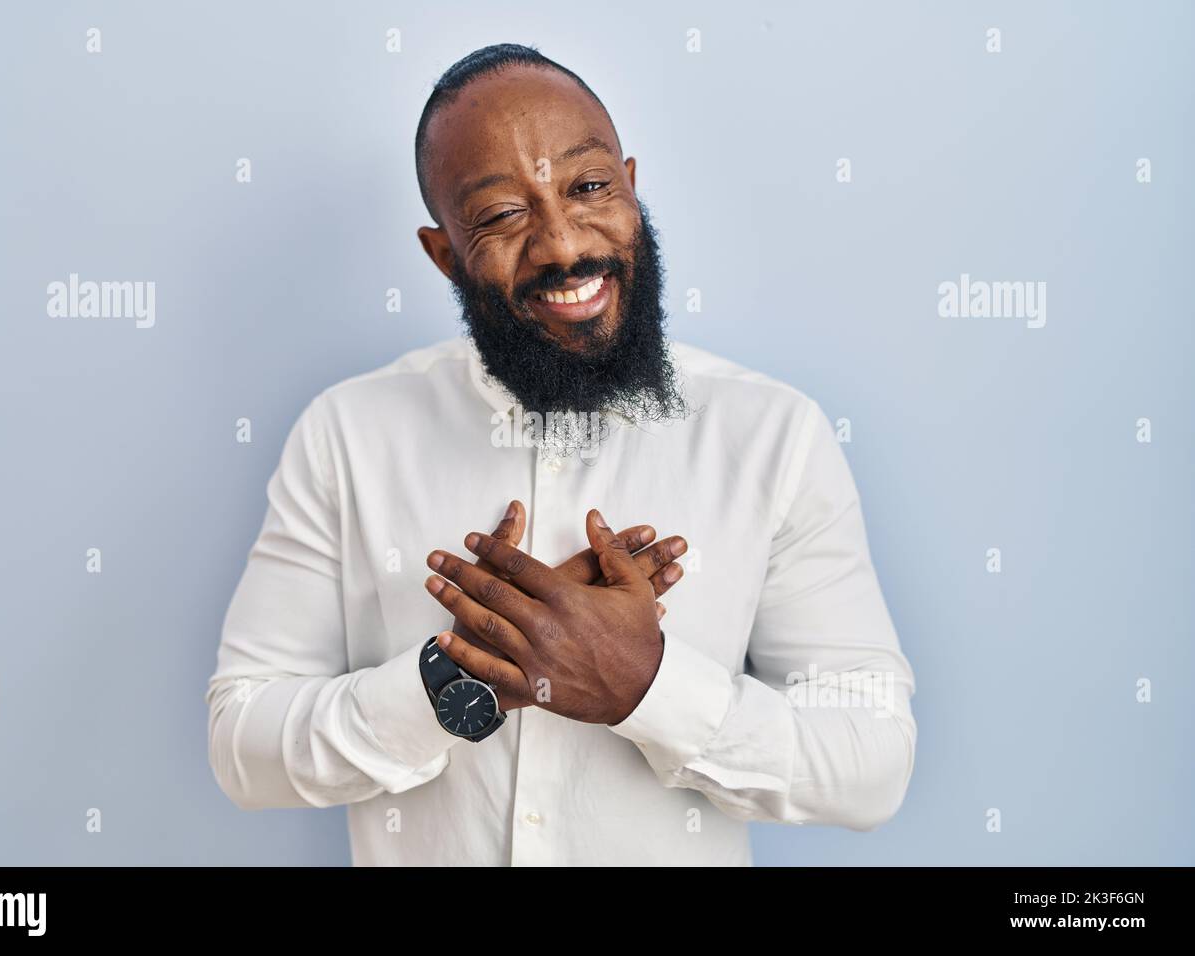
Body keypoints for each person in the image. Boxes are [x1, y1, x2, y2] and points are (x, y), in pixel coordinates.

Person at [206, 43, 916, 866]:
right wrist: (462, 676)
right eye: (503, 214)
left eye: (587, 187)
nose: (562, 244)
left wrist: (643, 686)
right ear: (443, 257)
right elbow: (242, 745)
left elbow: (871, 762)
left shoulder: (772, 437)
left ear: (631, 188)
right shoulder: (347, 436)